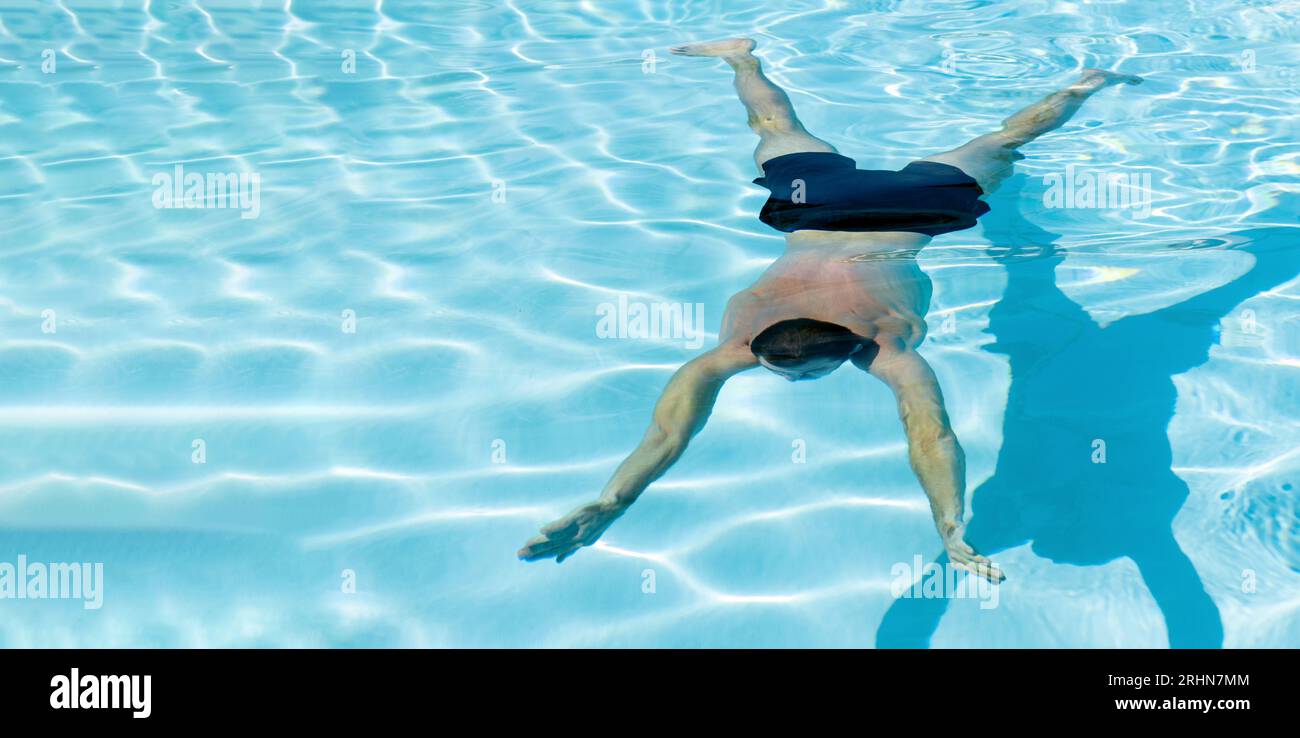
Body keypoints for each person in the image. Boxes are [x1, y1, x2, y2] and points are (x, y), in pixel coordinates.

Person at [518, 38, 1142, 582]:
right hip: (814, 204)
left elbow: (930, 433)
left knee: (1003, 140)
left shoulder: (880, 347)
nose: (792, 377)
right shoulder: (750, 344)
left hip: (917, 210)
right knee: (772, 127)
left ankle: (739, 54)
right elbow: (929, 433)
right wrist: (610, 502)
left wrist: (951, 526)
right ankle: (740, 56)